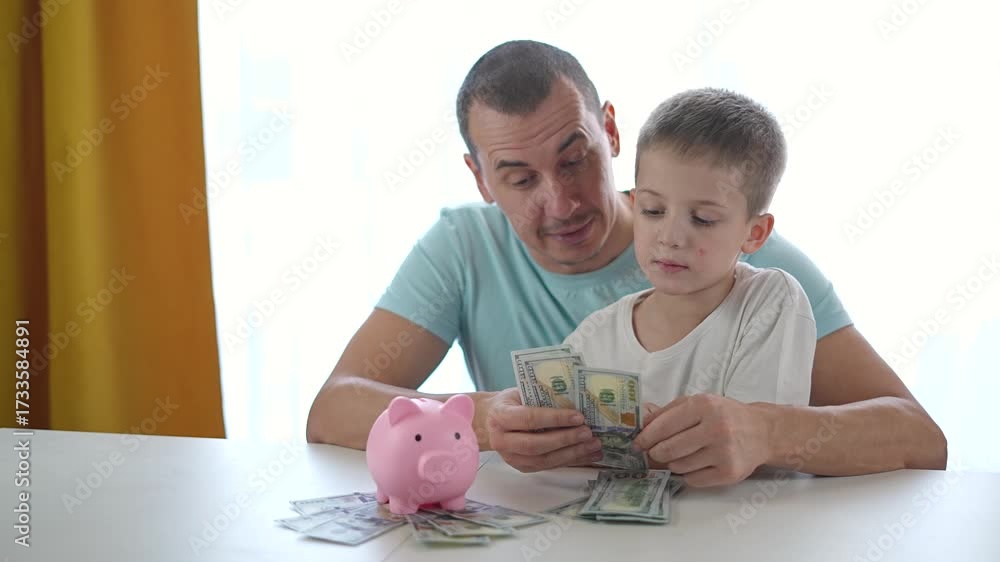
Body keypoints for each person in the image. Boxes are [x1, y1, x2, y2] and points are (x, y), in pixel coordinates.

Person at [307, 40, 947, 486]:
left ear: (610, 131)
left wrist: (766, 434)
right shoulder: (461, 248)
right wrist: (484, 419)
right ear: (479, 179)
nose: (559, 202)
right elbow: (333, 410)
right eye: (518, 177)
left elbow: (919, 438)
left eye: (574, 157)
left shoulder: (740, 261)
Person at [564, 87, 817, 424]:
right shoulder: (593, 337)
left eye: (703, 219)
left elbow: (751, 451)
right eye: (653, 211)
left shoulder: (768, 303)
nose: (669, 238)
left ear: (754, 233)